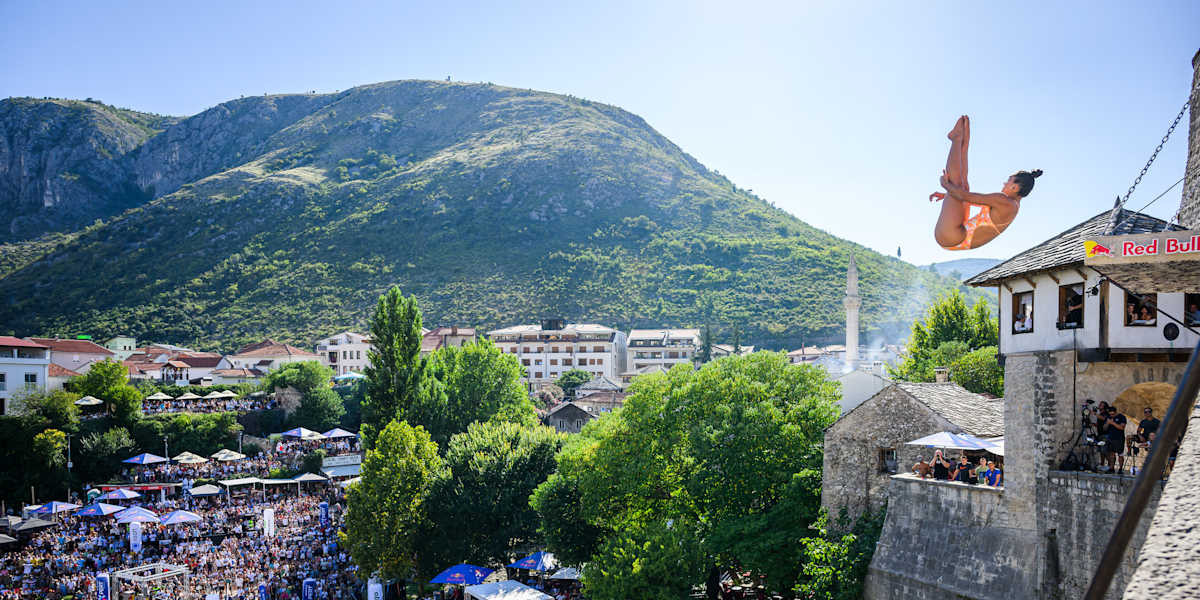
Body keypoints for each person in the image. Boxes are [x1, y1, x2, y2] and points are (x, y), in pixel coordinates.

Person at [930, 115, 1042, 251]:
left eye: (1008, 181)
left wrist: (945, 184)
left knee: (958, 185)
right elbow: (967, 198)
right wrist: (947, 194)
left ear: (1014, 187)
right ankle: (961, 141)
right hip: (957, 236)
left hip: (951, 237)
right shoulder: (1011, 205)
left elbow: (964, 196)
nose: (1004, 183)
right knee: (963, 185)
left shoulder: (1005, 202)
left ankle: (956, 139)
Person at [1103, 406, 1127, 474]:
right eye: (1110, 414)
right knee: (1111, 454)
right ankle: (1111, 468)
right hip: (1111, 438)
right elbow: (1104, 428)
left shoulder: (1122, 417)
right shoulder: (1108, 417)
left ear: (1116, 412)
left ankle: (1120, 469)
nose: (1111, 415)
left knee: (1120, 454)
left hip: (1119, 438)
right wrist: (1108, 423)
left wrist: (1113, 423)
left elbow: (1122, 427)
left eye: (1113, 414)